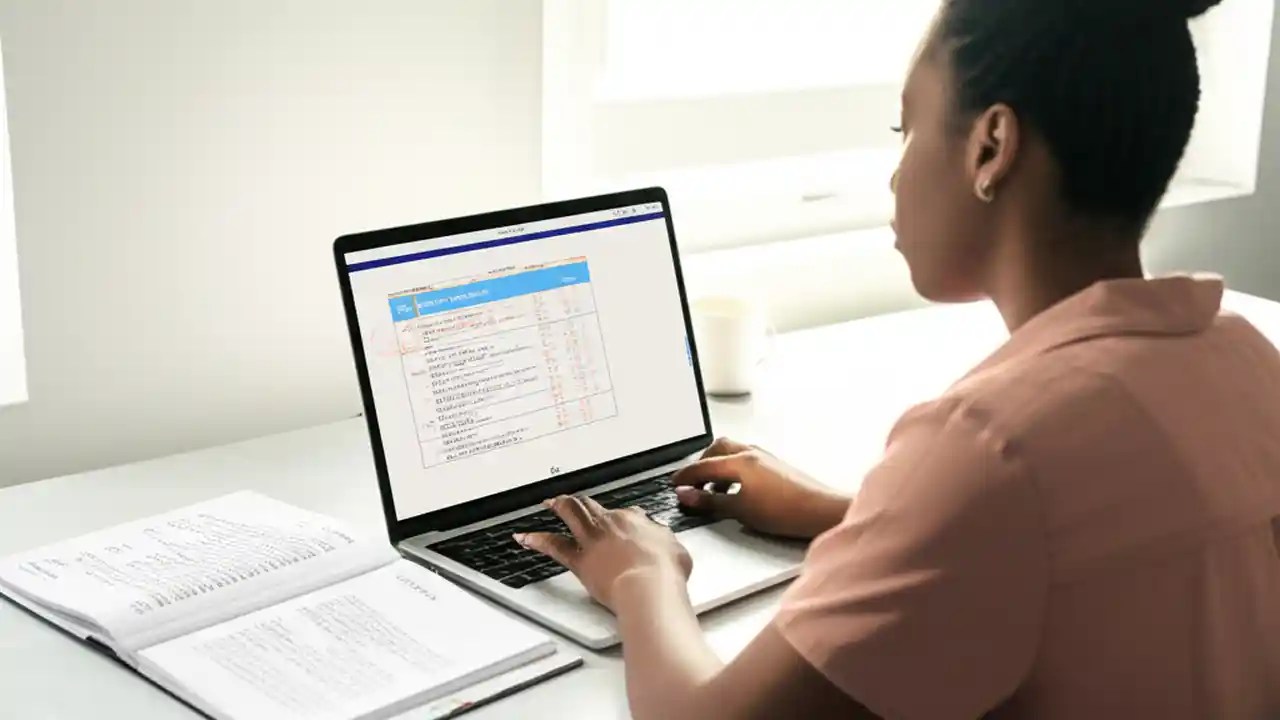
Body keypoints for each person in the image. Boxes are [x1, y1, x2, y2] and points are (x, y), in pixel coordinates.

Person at [516, 0, 1280, 716]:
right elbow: (1089, 555)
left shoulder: (993, 442)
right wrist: (851, 517)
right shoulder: (1245, 364)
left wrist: (642, 576)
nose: (893, 173)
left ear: (991, 146)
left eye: (905, 130)